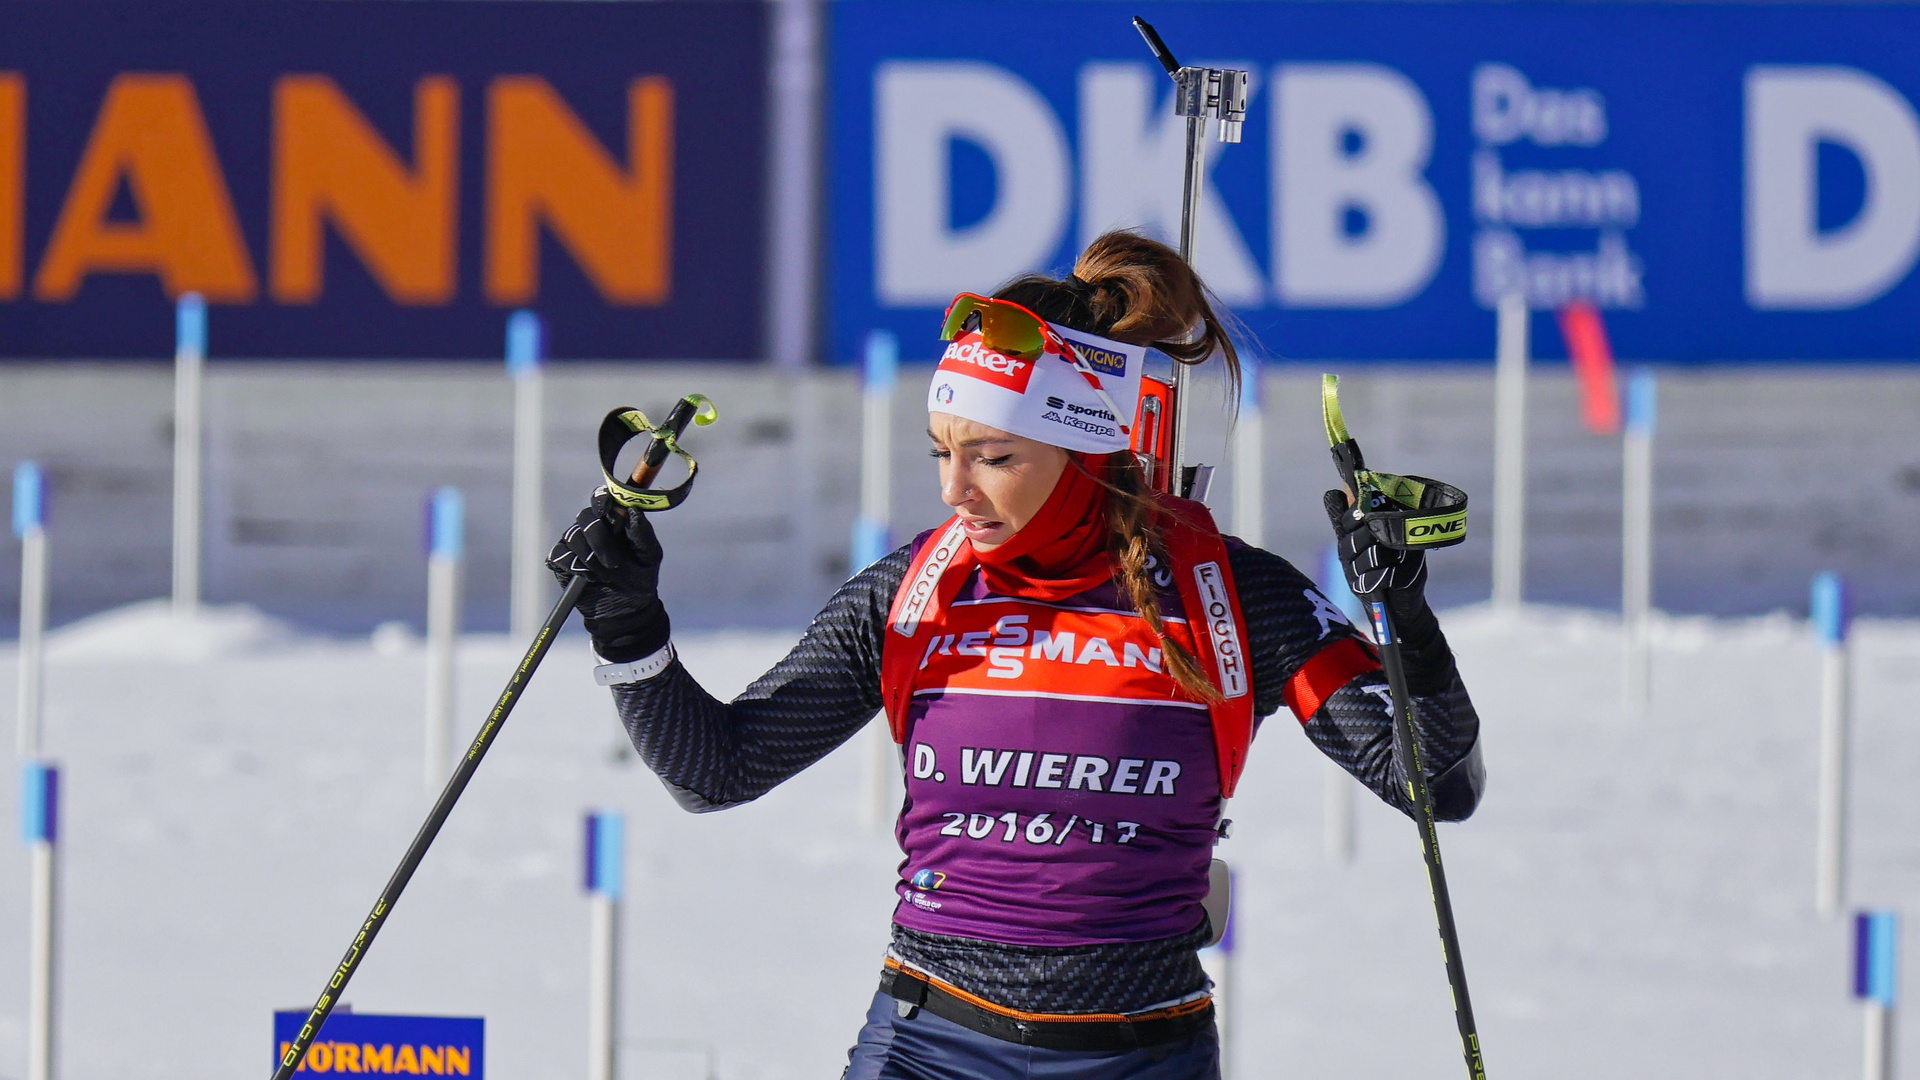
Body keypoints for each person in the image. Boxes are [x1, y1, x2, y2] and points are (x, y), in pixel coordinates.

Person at [549, 231, 1484, 1080]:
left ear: (1086, 445)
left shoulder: (1231, 596)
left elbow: (1435, 779)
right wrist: (631, 631)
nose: (956, 489)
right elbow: (717, 769)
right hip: (927, 1041)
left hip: (1139, 1054)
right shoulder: (913, 592)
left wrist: (1405, 615)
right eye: (941, 453)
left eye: (992, 457)